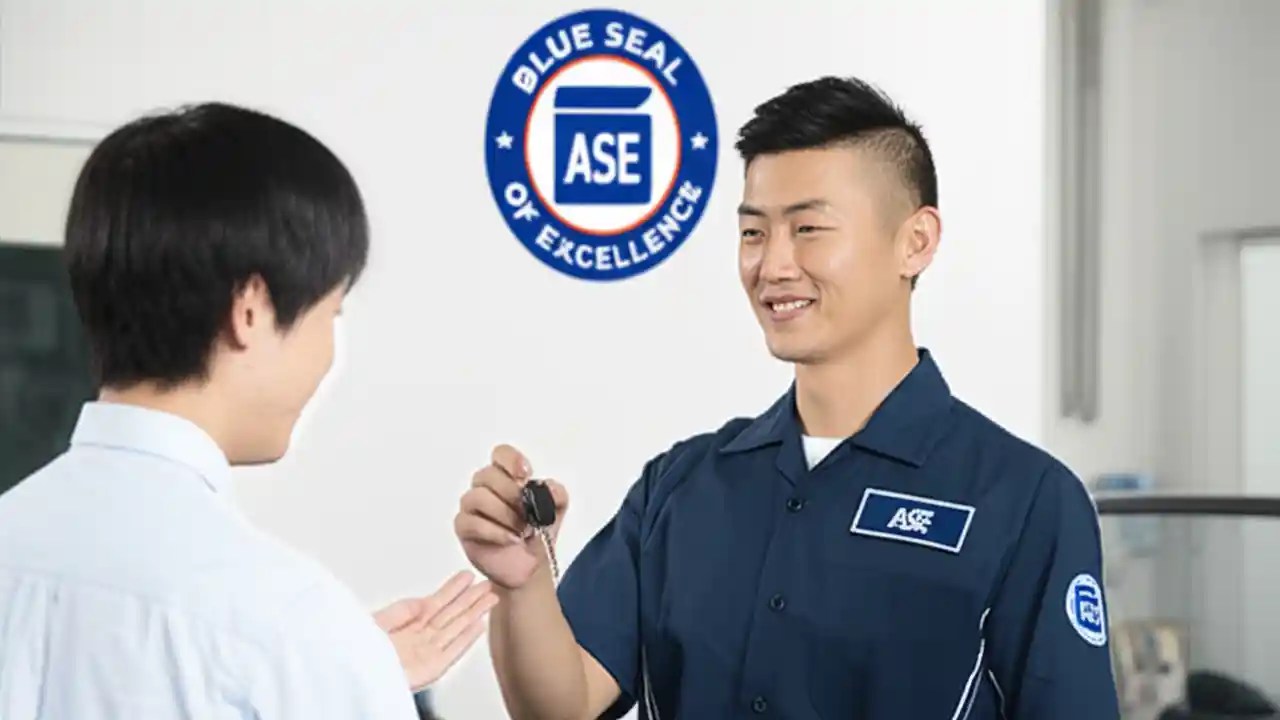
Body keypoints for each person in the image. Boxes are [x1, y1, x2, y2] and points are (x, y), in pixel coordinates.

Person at [455, 76, 1122, 719]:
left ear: (914, 243)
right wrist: (523, 586)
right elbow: (563, 705)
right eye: (753, 232)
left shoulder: (1025, 500)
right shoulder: (681, 488)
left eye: (808, 230)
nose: (772, 265)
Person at [0, 103, 495, 719]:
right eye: (330, 313)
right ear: (252, 310)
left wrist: (341, 668)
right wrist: (335, 674)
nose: (327, 353)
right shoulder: (289, 621)